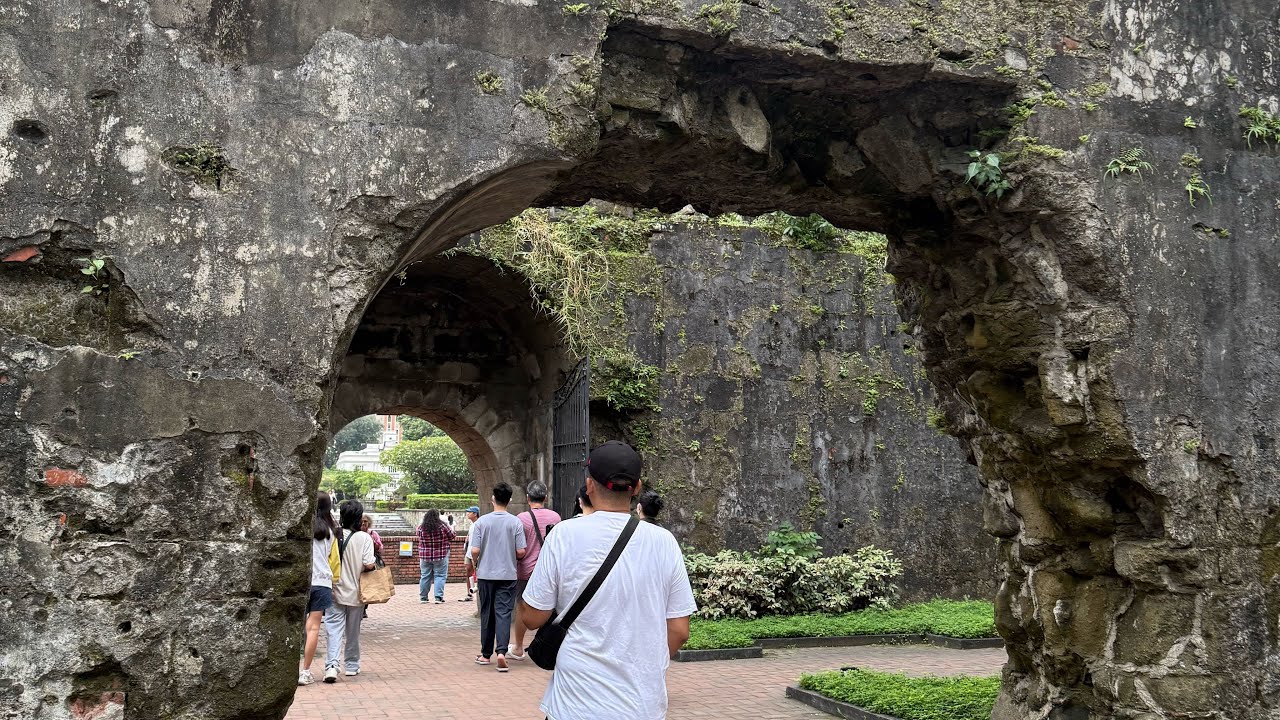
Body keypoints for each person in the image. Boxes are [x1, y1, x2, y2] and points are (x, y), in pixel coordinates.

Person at [519, 441, 696, 720]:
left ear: (589, 486)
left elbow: (532, 617)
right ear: (636, 488)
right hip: (642, 706)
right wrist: (645, 665)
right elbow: (679, 630)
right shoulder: (664, 543)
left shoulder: (564, 536)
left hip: (575, 705)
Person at [469, 483, 526, 672]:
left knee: (487, 613)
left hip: (486, 574)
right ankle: (501, 651)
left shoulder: (481, 522)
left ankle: (486, 655)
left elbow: (475, 549)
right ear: (509, 500)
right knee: (503, 613)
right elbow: (520, 551)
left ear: (493, 499)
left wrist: (477, 561)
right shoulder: (515, 522)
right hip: (508, 574)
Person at [322, 500, 376, 682]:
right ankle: (351, 665)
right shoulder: (365, 538)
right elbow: (369, 564)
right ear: (359, 519)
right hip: (356, 592)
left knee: (333, 629)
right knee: (353, 630)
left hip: (333, 590)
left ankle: (331, 666)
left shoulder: (332, 535)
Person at [508, 481, 561, 661]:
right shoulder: (556, 517)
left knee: (522, 608)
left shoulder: (521, 518)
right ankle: (545, 645)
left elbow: (517, 547)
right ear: (545, 497)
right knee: (550, 608)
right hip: (548, 570)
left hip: (526, 570)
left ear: (528, 497)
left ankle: (518, 647)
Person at [299, 492, 337, 686]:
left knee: (297, 627)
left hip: (302, 582)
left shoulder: (302, 528)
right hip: (322, 582)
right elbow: (331, 557)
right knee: (313, 628)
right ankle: (305, 671)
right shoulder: (331, 531)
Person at [417, 509, 456, 603]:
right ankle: (438, 597)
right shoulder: (442, 526)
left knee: (425, 576)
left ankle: (423, 597)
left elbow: (418, 536)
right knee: (440, 575)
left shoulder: (421, 527)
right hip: (441, 554)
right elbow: (452, 536)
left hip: (425, 555)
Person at [359, 515, 384, 619]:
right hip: (359, 563)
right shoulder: (357, 533)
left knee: (368, 587)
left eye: (366, 521)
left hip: (370, 563)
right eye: (362, 521)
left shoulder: (373, 534)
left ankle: (364, 609)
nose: (364, 523)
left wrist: (375, 544)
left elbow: (381, 547)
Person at [458, 505, 480, 603]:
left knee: (478, 573)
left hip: (475, 552)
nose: (468, 514)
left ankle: (478, 592)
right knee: (468, 572)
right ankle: (469, 593)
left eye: (470, 512)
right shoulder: (472, 525)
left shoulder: (479, 524)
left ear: (475, 514)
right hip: (469, 551)